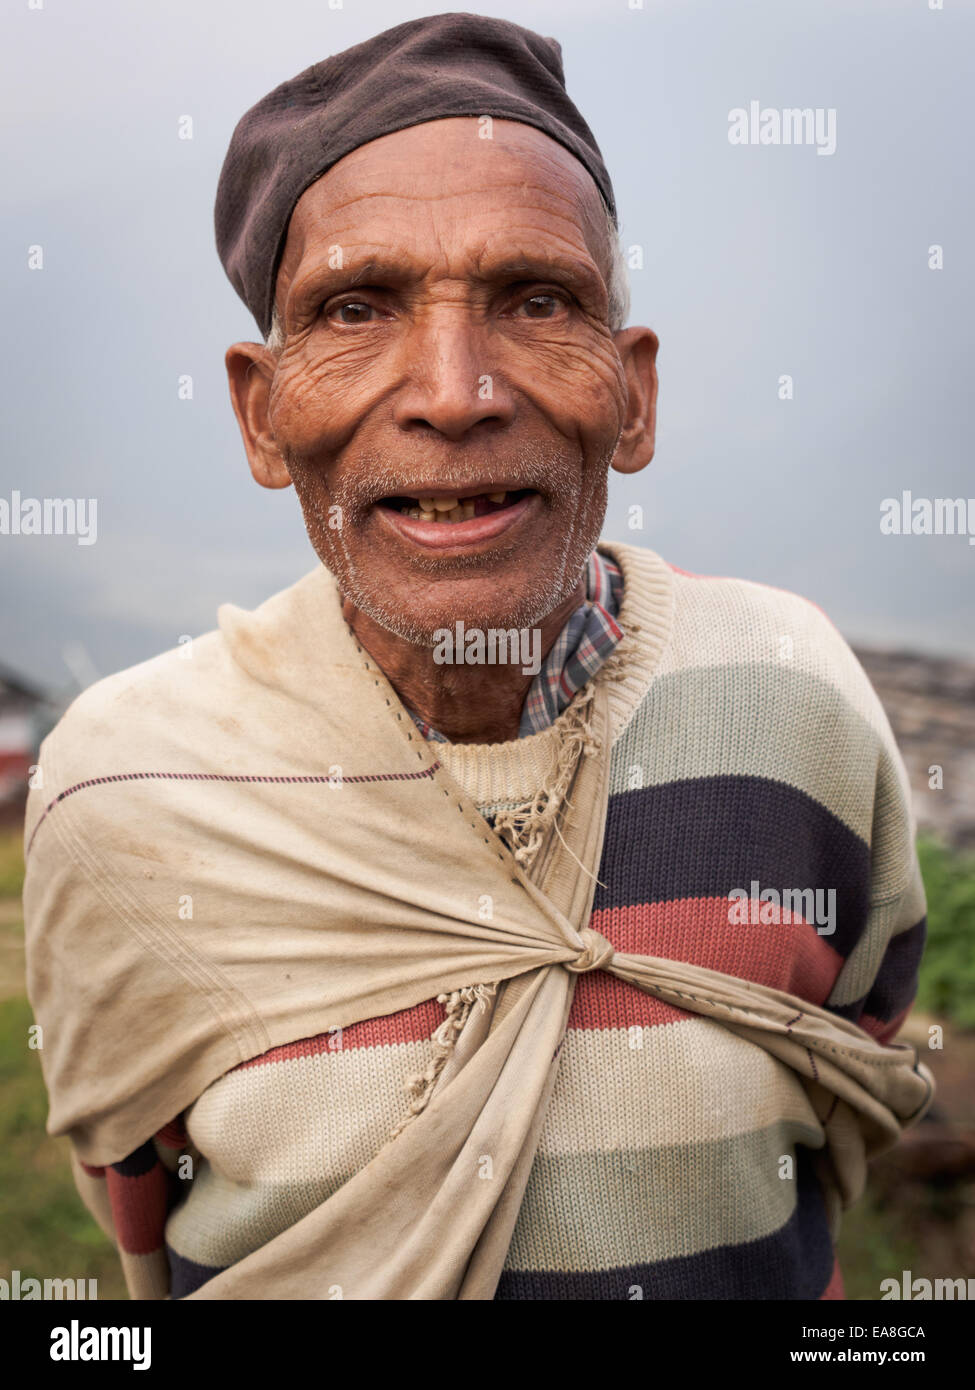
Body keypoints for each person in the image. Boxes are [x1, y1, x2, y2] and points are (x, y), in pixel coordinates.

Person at [23, 12, 931, 1301]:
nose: (456, 391)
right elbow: (141, 1227)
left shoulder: (792, 696)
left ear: (634, 393)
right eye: (355, 308)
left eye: (537, 300)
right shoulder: (124, 795)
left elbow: (850, 1070)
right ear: (261, 411)